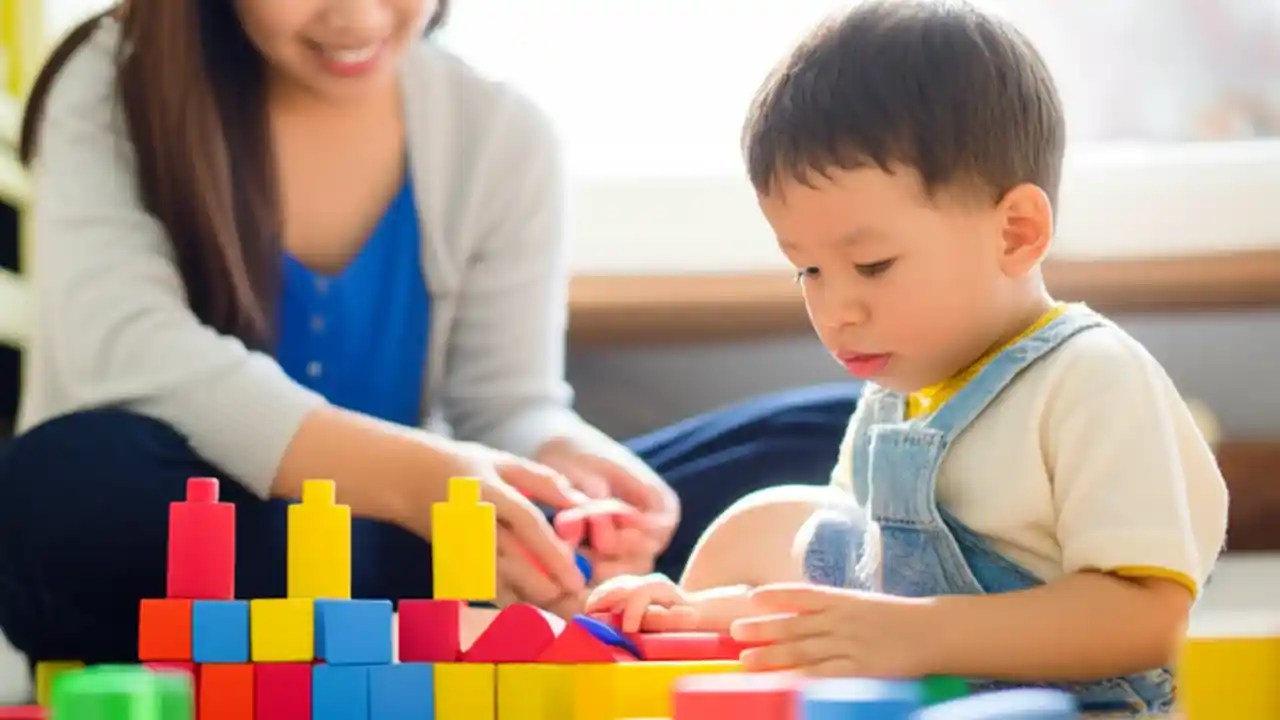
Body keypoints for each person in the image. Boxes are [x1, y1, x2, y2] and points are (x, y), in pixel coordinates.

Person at [0, 0, 863, 689]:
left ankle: (547, 601)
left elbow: (507, 406)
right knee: (65, 488)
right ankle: (489, 613)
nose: (358, 19)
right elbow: (133, 351)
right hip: (248, 543)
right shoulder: (115, 84)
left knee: (838, 436)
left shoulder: (499, 132)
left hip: (439, 531)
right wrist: (420, 483)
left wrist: (574, 478)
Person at [585, 1, 1229, 715]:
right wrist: (690, 614)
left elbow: (1146, 617)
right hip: (918, 700)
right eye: (808, 271)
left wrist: (918, 635)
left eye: (872, 264)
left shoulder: (1091, 379)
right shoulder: (893, 400)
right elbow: (853, 599)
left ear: (1015, 232)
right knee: (768, 522)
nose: (836, 310)